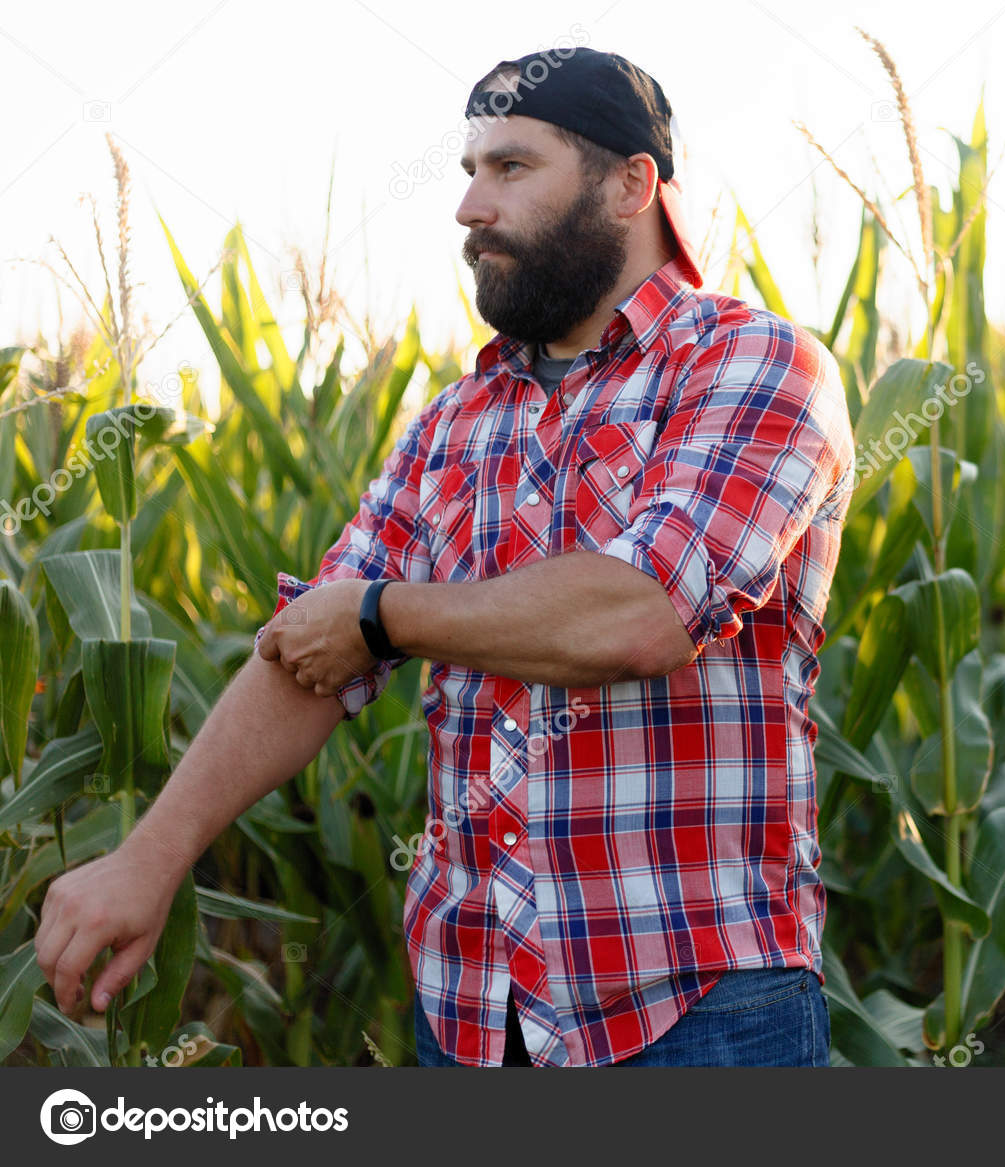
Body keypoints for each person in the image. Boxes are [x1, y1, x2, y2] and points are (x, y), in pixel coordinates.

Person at [33, 46, 854, 1068]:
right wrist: (148, 860)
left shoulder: (753, 364)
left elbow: (639, 612)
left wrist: (383, 617)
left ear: (631, 184)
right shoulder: (453, 422)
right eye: (470, 172)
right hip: (471, 1010)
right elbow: (309, 649)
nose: (470, 206)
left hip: (697, 1010)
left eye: (510, 167)